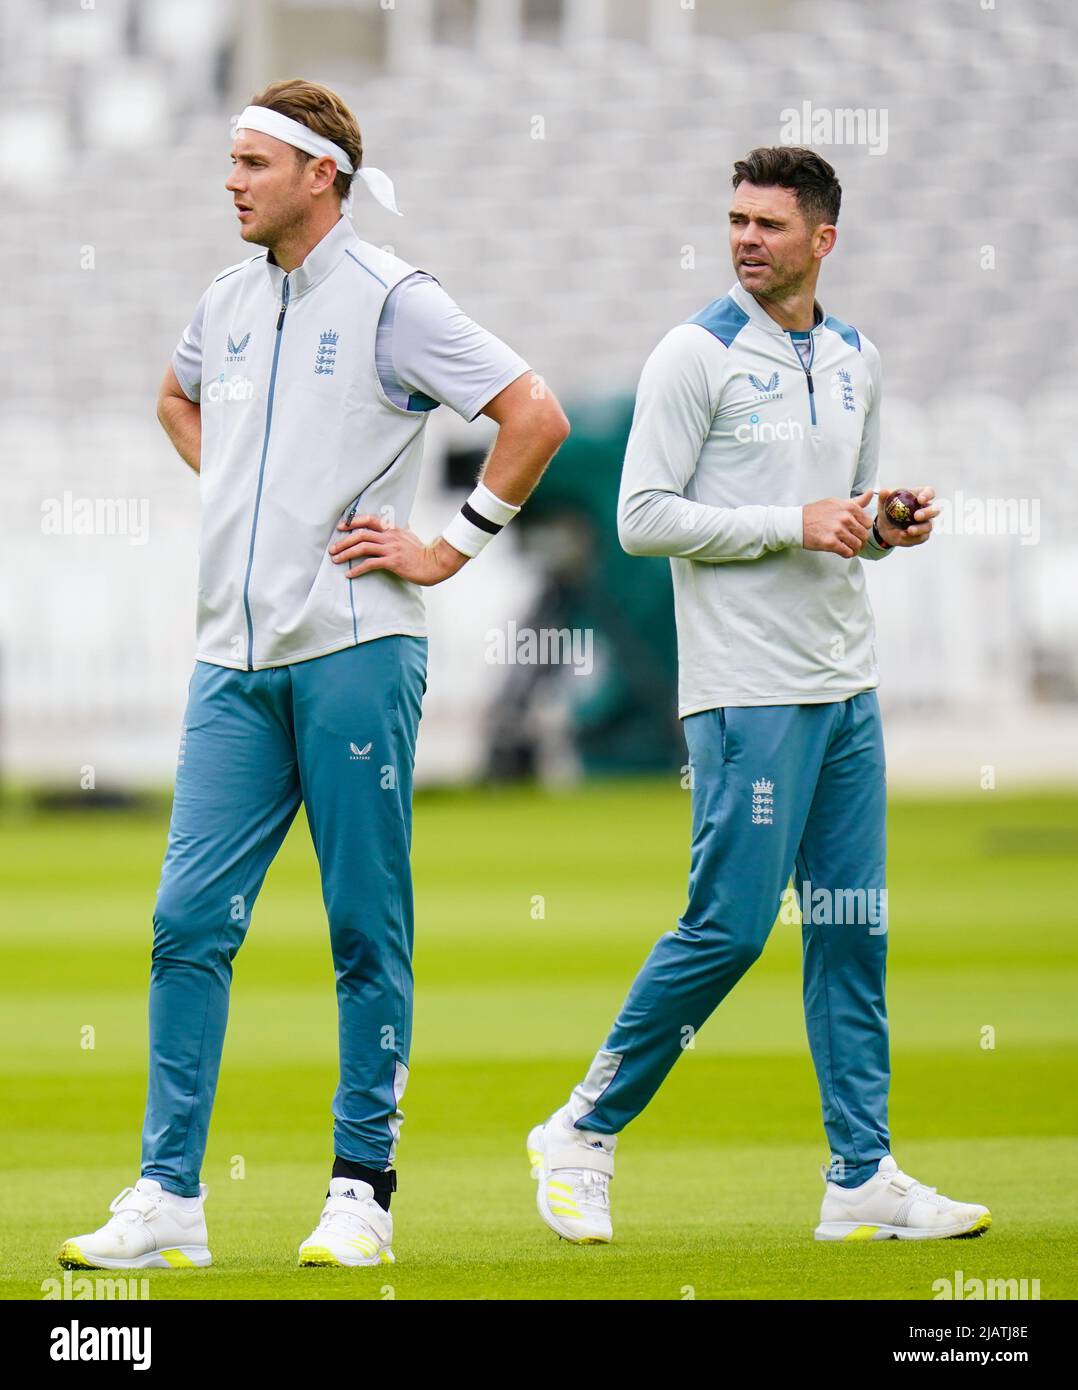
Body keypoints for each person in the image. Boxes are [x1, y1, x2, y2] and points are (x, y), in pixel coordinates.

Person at [58, 77, 569, 1271]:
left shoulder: (397, 299)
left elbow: (530, 412)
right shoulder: (227, 299)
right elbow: (175, 396)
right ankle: (168, 1199)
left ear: (318, 175)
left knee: (360, 927)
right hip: (229, 667)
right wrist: (251, 492)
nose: (229, 180)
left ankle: (361, 1192)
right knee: (187, 921)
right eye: (230, 160)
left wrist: (449, 546)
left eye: (251, 163)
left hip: (353, 653)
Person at [527, 146, 991, 1246]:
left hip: (844, 684)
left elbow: (847, 519)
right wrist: (797, 522)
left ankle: (861, 1177)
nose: (744, 239)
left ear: (822, 240)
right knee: (728, 928)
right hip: (745, 691)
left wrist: (885, 522)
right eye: (735, 219)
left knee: (850, 931)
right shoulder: (693, 354)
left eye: (768, 224)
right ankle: (581, 1130)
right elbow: (640, 517)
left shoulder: (854, 356)